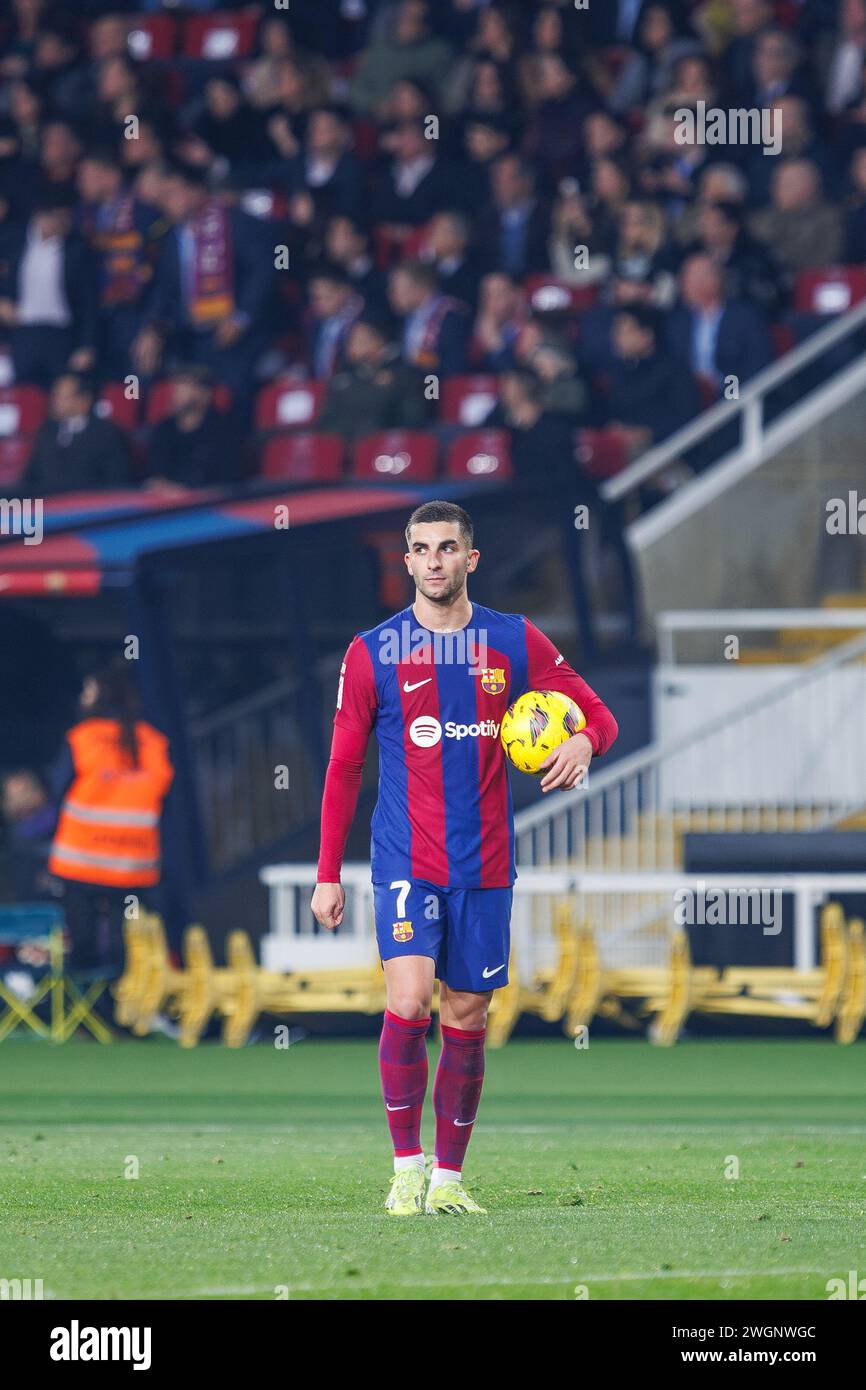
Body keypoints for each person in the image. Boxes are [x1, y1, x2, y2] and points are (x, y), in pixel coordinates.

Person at [311, 500, 618, 1216]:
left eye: (448, 548)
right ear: (408, 562)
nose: (435, 561)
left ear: (469, 559)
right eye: (422, 549)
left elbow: (598, 715)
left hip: (483, 863)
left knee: (469, 1014)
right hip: (405, 859)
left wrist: (582, 743)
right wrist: (329, 872)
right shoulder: (373, 651)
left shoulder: (513, 641)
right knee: (409, 999)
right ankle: (406, 1168)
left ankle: (449, 1180)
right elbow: (343, 767)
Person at [47, 660, 174, 981]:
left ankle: (85, 1013)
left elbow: (57, 788)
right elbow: (164, 797)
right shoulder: (154, 742)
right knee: (125, 944)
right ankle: (120, 1013)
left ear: (102, 695)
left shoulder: (82, 738)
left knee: (83, 943)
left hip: (81, 861)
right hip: (133, 864)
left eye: (88, 690)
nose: (82, 696)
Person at [316, 314, 430, 443]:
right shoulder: (340, 382)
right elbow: (324, 426)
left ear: (380, 341)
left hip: (389, 452)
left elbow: (413, 421)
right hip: (346, 453)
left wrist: (380, 388)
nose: (353, 346)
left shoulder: (404, 376)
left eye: (361, 339)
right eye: (351, 341)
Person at [19, 371, 131, 496]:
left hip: (91, 509)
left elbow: (118, 481)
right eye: (55, 396)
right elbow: (30, 479)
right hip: (49, 509)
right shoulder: (46, 432)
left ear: (84, 400)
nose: (55, 402)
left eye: (62, 397)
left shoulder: (107, 434)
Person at [144, 365, 241, 490]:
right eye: (175, 386)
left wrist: (179, 489)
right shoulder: (164, 428)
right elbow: (154, 474)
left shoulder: (225, 432)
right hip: (164, 505)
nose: (175, 392)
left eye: (183, 385)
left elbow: (226, 482)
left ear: (204, 394)